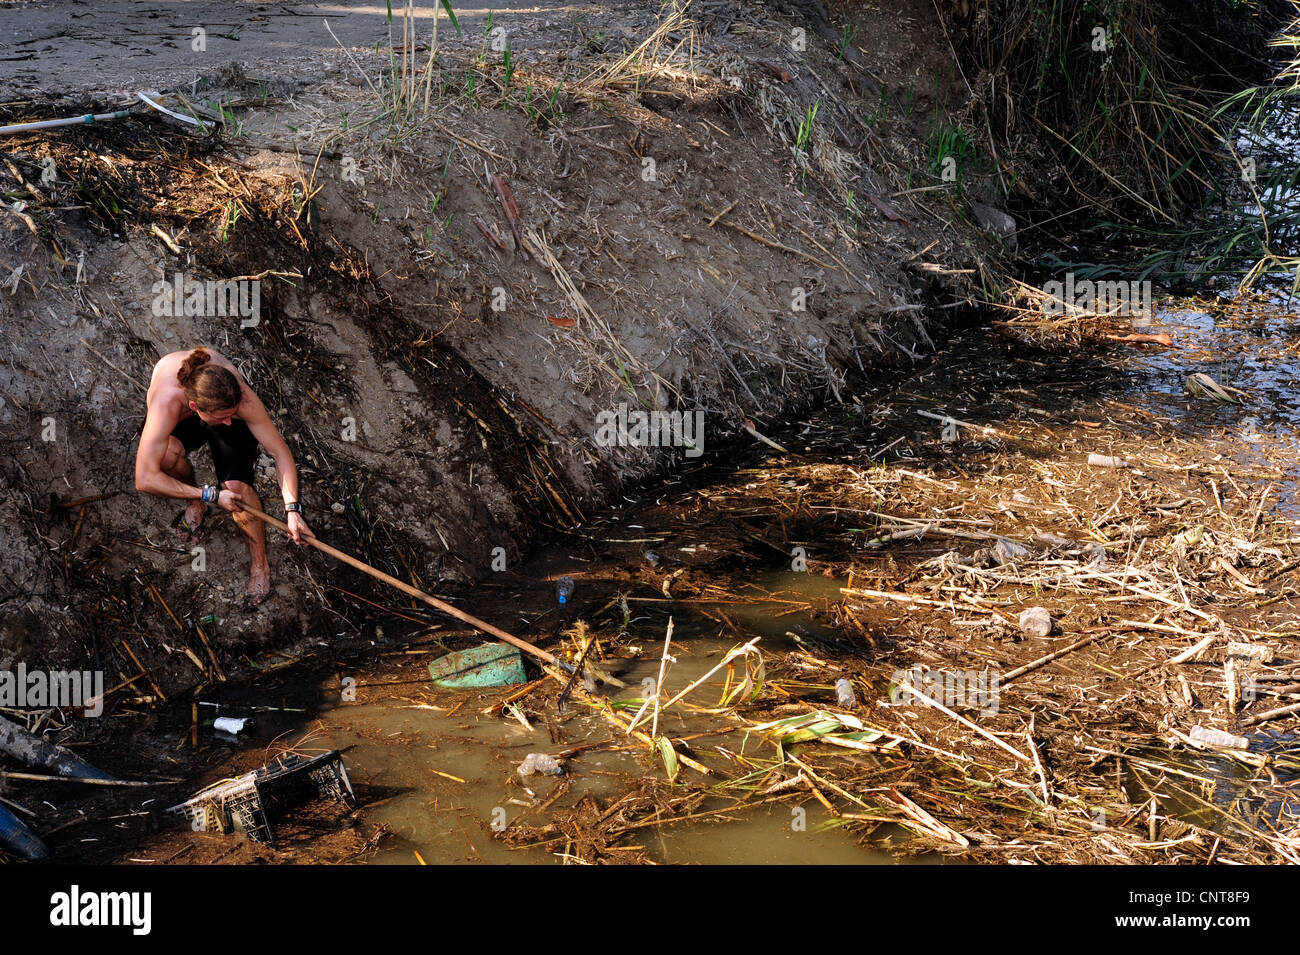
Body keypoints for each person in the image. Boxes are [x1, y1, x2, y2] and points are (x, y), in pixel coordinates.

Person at [133, 346, 312, 607]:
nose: (228, 421)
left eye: (231, 415)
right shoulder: (166, 402)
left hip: (218, 406)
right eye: (223, 418)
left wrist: (292, 510)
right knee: (166, 456)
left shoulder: (239, 399)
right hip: (188, 416)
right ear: (194, 406)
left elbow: (279, 452)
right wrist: (209, 494)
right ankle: (195, 503)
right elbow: (145, 478)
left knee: (236, 489)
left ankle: (260, 565)